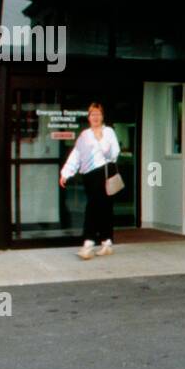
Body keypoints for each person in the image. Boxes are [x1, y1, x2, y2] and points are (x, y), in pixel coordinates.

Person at [59, 102, 120, 259]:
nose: (95, 117)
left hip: (104, 173)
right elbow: (76, 155)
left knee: (95, 207)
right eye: (92, 114)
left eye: (98, 114)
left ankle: (89, 243)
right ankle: (106, 242)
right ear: (88, 117)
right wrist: (66, 172)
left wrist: (100, 139)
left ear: (102, 116)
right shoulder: (84, 135)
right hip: (89, 176)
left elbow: (113, 154)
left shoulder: (109, 132)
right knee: (101, 207)